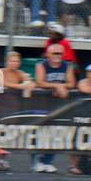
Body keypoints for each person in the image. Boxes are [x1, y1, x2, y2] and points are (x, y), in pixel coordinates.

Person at [32, 44, 78, 173]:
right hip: (43, 103)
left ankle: (48, 161)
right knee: (40, 133)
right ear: (48, 54)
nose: (58, 56)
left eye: (60, 53)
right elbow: (39, 82)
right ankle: (37, 161)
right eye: (55, 53)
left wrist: (60, 87)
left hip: (59, 105)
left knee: (56, 133)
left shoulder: (67, 66)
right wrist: (57, 86)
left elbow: (71, 83)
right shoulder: (41, 65)